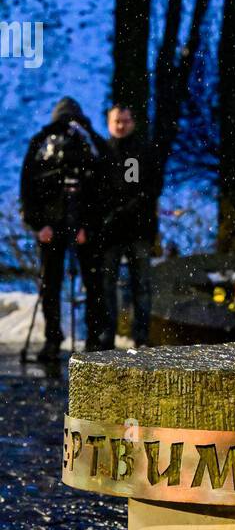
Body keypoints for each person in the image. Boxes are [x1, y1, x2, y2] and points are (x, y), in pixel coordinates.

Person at [19, 97, 104, 360]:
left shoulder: (79, 142)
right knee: (64, 284)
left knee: (76, 284)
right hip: (56, 225)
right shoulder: (82, 142)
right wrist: (39, 224)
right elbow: (29, 187)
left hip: (71, 224)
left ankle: (83, 339)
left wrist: (86, 225)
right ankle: (70, 339)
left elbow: (102, 186)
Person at [99, 103, 157, 349]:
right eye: (116, 122)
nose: (121, 126)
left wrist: (127, 209)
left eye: (125, 121)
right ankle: (106, 336)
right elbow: (95, 190)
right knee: (106, 285)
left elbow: (151, 187)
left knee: (141, 285)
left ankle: (141, 337)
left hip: (138, 229)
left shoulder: (143, 151)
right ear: (109, 123)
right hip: (110, 232)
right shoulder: (101, 152)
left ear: (133, 123)